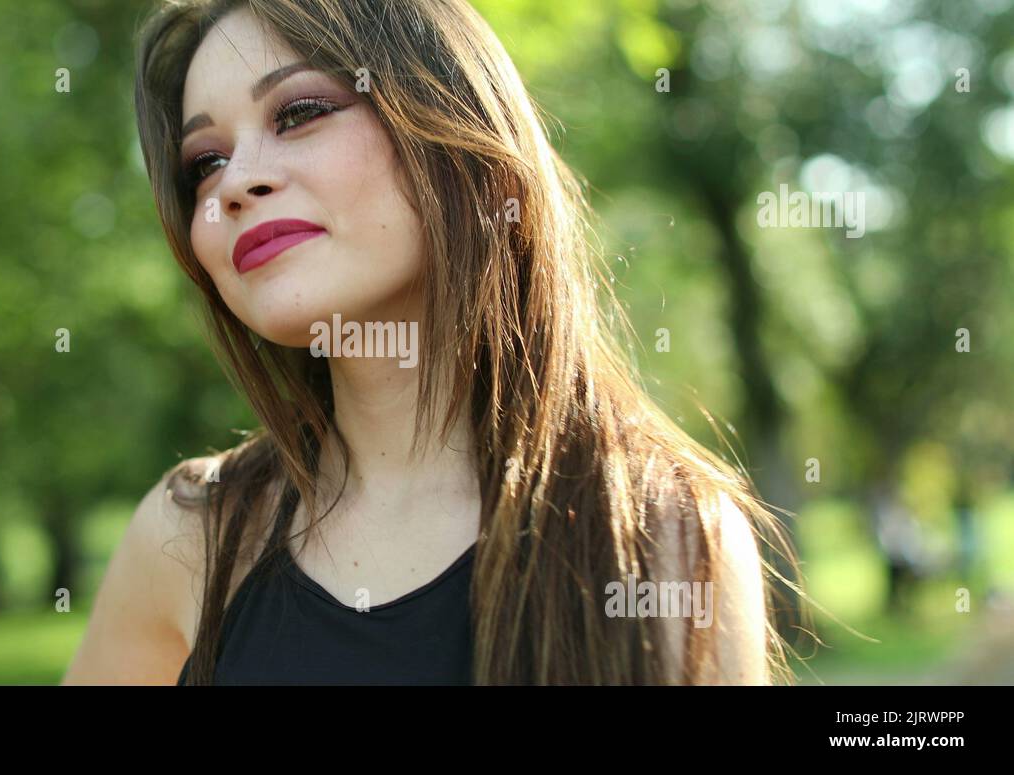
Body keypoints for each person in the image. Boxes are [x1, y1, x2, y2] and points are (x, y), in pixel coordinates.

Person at [63, 0, 802, 685]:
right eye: (206, 162)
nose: (233, 184)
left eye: (300, 112)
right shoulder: (190, 535)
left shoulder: (658, 535)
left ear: (457, 133)